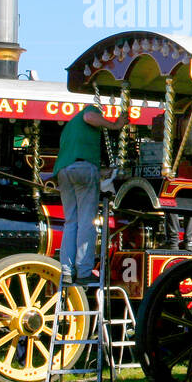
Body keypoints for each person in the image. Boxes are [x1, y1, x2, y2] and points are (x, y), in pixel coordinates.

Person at [53, 104, 128, 285]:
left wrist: (102, 171)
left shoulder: (70, 127)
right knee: (87, 222)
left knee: (71, 221)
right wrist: (116, 125)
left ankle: (67, 269)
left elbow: (79, 159)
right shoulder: (90, 111)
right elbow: (90, 117)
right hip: (83, 169)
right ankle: (84, 270)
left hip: (64, 171)